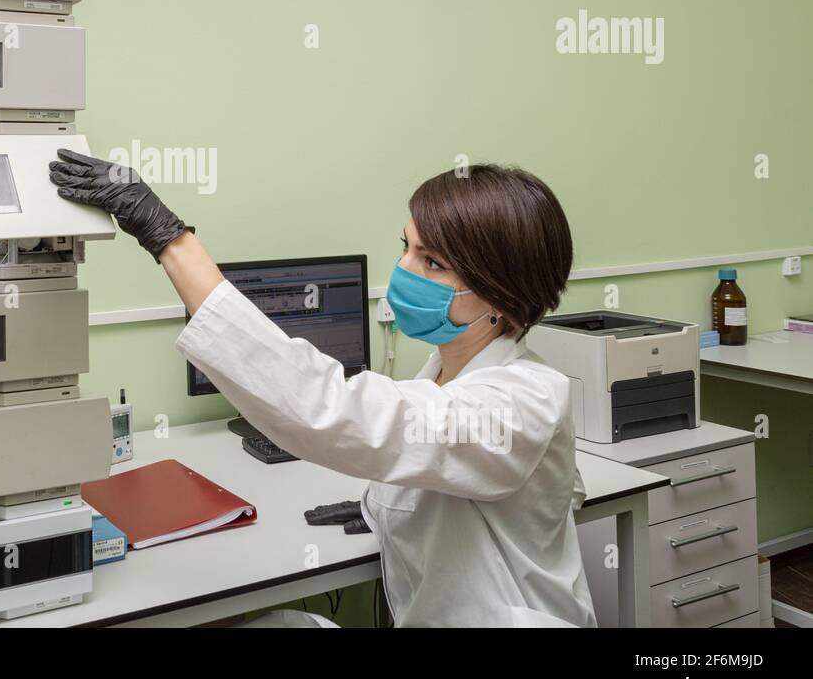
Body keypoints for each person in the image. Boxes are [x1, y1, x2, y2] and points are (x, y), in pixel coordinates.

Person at [48, 152, 597, 628]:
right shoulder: (440, 373)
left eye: (432, 262)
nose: (402, 270)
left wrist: (169, 239)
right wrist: (386, 506)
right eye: (405, 247)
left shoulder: (523, 399)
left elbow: (332, 408)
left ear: (501, 295)